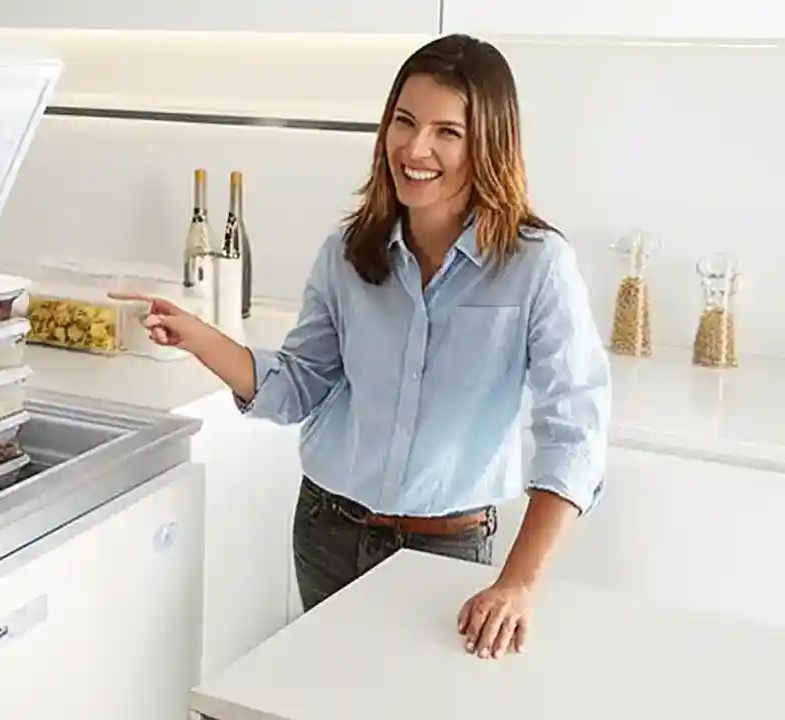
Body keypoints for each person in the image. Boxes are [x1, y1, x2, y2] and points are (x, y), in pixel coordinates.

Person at [113, 34, 610, 661]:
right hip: (326, 530)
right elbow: (299, 385)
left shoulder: (536, 266)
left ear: (488, 144)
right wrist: (203, 338)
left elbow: (577, 436)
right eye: (403, 121)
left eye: (446, 132)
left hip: (446, 549)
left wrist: (518, 583)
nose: (415, 148)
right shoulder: (349, 253)